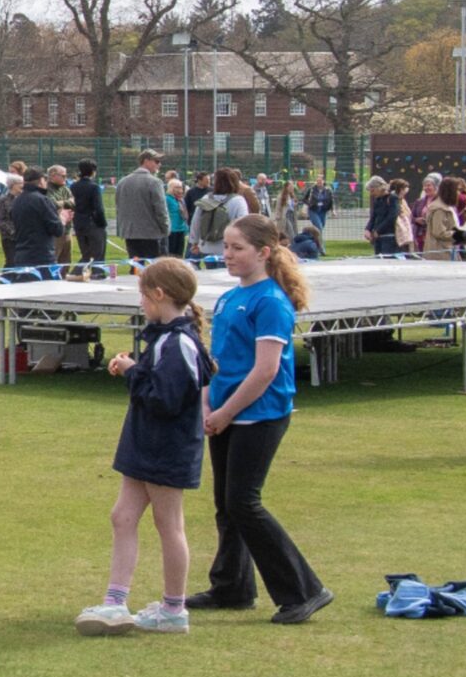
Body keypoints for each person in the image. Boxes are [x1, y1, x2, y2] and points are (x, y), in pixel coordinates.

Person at [187, 214, 332, 624]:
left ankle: (304, 589)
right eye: (227, 247)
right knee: (226, 505)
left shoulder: (270, 301)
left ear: (264, 253)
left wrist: (227, 412)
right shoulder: (231, 297)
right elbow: (218, 361)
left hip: (260, 415)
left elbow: (265, 370)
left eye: (237, 248)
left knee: (244, 503)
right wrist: (207, 406)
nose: (228, 255)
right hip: (225, 413)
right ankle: (231, 586)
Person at [77, 257, 209, 635]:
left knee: (169, 524)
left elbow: (166, 399)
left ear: (159, 294)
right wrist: (133, 368)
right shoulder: (166, 338)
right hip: (144, 442)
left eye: (142, 296)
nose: (140, 303)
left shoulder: (179, 342)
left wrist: (132, 371)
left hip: (166, 446)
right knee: (122, 516)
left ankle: (173, 608)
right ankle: (115, 602)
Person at [4, 165, 62, 270]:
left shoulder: (17, 200)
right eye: (45, 180)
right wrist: (62, 219)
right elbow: (57, 230)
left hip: (21, 255)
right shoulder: (42, 200)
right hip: (42, 257)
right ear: (41, 180)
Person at [66, 159, 107, 264]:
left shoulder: (73, 186)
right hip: (93, 224)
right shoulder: (94, 187)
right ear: (93, 171)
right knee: (98, 255)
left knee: (86, 255)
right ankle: (97, 275)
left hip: (79, 223)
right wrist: (102, 223)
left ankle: (77, 274)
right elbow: (98, 208)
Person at [424, 178, 464, 258]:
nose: (459, 193)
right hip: (440, 253)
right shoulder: (439, 209)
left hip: (448, 250)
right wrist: (461, 234)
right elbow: (439, 232)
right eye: (457, 190)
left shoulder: (447, 207)